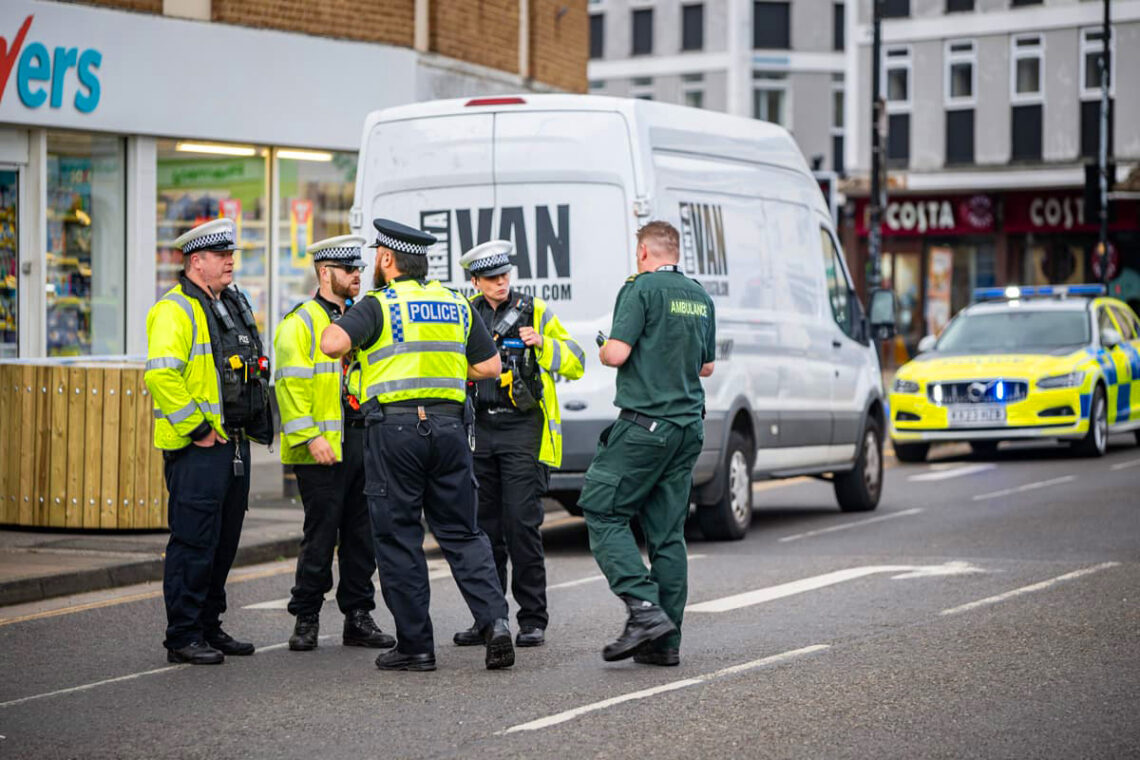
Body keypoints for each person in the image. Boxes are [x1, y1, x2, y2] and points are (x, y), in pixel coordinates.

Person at [320, 218, 514, 672]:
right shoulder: (456, 303)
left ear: (387, 260)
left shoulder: (378, 304)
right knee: (463, 532)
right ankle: (496, 621)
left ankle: (416, 647)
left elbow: (332, 343)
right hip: (450, 430)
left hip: (396, 432)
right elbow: (490, 366)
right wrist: (447, 372)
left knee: (399, 537)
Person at [578, 220, 716, 667]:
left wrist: (604, 350)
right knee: (668, 535)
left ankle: (642, 608)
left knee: (602, 508)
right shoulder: (699, 295)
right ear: (675, 251)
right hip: (687, 428)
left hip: (645, 427)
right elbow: (707, 367)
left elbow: (616, 353)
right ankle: (665, 643)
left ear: (642, 252)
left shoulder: (640, 290)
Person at [145, 218, 274, 665]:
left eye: (231, 254)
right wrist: (198, 429)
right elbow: (161, 374)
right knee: (194, 541)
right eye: (222, 255)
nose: (230, 261)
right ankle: (182, 635)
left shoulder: (230, 302)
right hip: (199, 448)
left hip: (233, 444)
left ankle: (208, 626)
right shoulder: (175, 309)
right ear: (196, 261)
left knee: (223, 542)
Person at [450, 240, 584, 649]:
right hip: (480, 431)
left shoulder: (535, 310)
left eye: (505, 275)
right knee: (484, 532)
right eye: (492, 278)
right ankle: (490, 619)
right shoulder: (463, 313)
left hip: (523, 430)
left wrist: (544, 345)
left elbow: (576, 361)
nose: (501, 283)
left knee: (521, 526)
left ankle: (532, 619)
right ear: (475, 280)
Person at [274, 235, 396, 653]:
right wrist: (311, 438)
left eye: (359, 268)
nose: (357, 275)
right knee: (322, 534)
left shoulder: (363, 318)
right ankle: (306, 616)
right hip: (323, 447)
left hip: (364, 438)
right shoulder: (301, 322)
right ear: (325, 273)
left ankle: (357, 616)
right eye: (348, 270)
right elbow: (290, 389)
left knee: (362, 535)